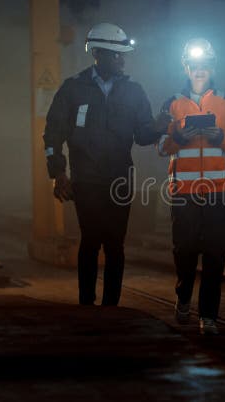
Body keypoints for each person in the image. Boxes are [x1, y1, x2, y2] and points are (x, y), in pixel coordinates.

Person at [43, 22, 170, 306]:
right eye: (117, 55)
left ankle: (111, 306)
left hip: (120, 179)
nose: (122, 60)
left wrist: (161, 126)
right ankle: (86, 303)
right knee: (91, 239)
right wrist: (57, 173)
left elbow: (142, 135)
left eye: (123, 55)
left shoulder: (134, 92)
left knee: (115, 243)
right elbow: (53, 133)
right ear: (98, 54)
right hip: (85, 179)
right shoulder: (73, 90)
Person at [157, 38, 225, 335]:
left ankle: (208, 316)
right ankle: (183, 295)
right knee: (184, 250)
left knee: (215, 253)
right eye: (194, 65)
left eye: (205, 65)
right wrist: (180, 137)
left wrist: (219, 135)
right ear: (185, 67)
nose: (199, 70)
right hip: (184, 193)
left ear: (213, 67)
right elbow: (160, 145)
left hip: (220, 191)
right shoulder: (171, 103)